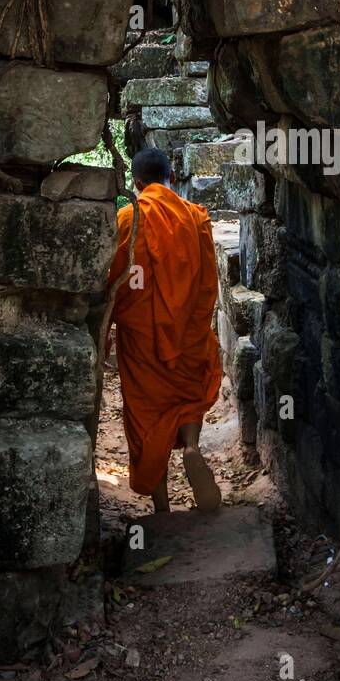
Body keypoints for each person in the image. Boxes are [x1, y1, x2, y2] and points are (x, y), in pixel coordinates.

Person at [106, 147, 222, 512]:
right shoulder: (196, 218)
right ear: (171, 177)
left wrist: (108, 326)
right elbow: (208, 282)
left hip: (143, 340)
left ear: (137, 183)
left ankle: (162, 507)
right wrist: (193, 320)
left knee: (147, 414)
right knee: (188, 396)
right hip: (189, 332)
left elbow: (114, 283)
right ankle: (191, 447)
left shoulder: (128, 219)